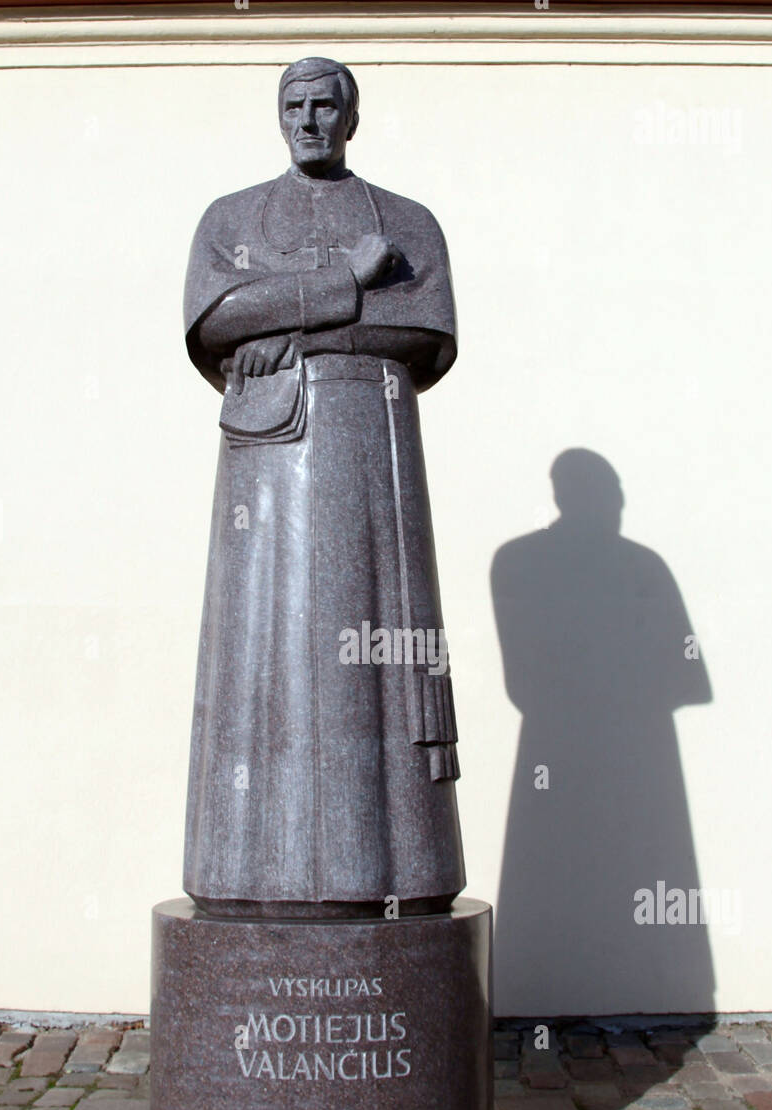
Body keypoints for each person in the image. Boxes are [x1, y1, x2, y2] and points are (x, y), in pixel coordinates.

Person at [182, 57, 465, 918]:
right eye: (293, 106)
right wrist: (338, 289)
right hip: (265, 464)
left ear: (351, 117)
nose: (309, 120)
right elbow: (212, 323)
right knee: (262, 651)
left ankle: (394, 876)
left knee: (375, 654)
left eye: (325, 106)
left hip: (373, 453)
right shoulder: (230, 219)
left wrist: (280, 323)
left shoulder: (408, 222)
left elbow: (422, 330)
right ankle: (248, 881)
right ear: (279, 118)